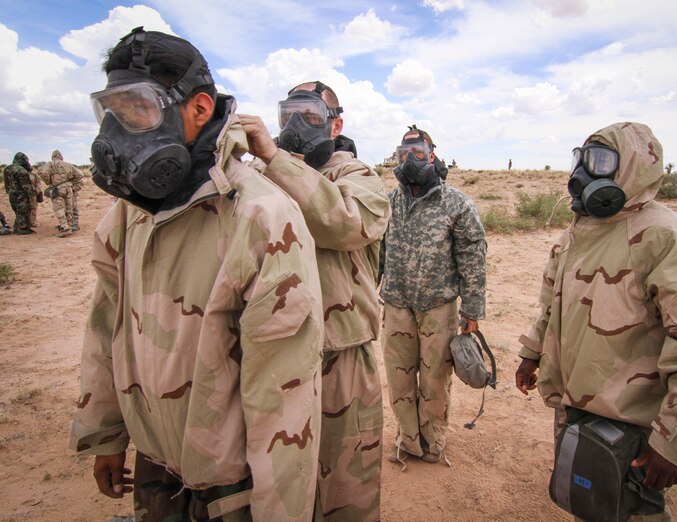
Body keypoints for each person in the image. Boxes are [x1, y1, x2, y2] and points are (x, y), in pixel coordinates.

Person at [69, 27, 324, 521]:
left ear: (199, 109)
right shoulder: (126, 216)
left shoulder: (261, 217)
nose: (121, 129)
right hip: (153, 465)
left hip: (230, 486)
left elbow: (284, 400)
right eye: (112, 111)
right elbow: (105, 330)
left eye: (138, 109)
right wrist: (105, 436)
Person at [514, 122, 677, 520]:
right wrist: (531, 353)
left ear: (634, 169)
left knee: (629, 509)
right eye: (582, 159)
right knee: (590, 503)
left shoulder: (666, 237)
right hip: (576, 405)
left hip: (633, 423)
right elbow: (550, 306)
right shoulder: (575, 235)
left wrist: (673, 439)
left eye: (601, 161)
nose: (584, 173)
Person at [241, 80, 389, 522]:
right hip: (277, 357)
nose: (294, 125)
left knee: (348, 483)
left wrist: (273, 157)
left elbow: (347, 223)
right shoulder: (263, 175)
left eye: (308, 114)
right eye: (287, 115)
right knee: (280, 483)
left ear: (335, 123)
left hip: (340, 353)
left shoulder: (355, 175)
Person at [380, 126, 487, 465]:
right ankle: (408, 441)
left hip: (439, 308)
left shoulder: (455, 202)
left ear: (433, 155)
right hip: (396, 304)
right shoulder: (388, 203)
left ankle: (433, 441)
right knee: (399, 379)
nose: (410, 161)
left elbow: (472, 256)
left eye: (419, 153)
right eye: (403, 154)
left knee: (435, 380)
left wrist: (473, 309)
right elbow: (376, 254)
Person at [38, 150, 83, 237]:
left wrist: (48, 182)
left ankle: (65, 227)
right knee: (69, 207)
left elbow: (43, 173)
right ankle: (69, 226)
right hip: (68, 188)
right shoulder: (68, 164)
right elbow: (80, 174)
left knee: (59, 208)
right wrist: (70, 182)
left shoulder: (49, 164)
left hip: (57, 188)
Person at [3, 152, 36, 234]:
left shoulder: (7, 169)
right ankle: (23, 229)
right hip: (21, 194)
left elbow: (6, 183)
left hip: (12, 193)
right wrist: (32, 194)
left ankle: (17, 227)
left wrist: (9, 191)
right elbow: (26, 186)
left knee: (17, 211)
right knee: (23, 211)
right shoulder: (21, 170)